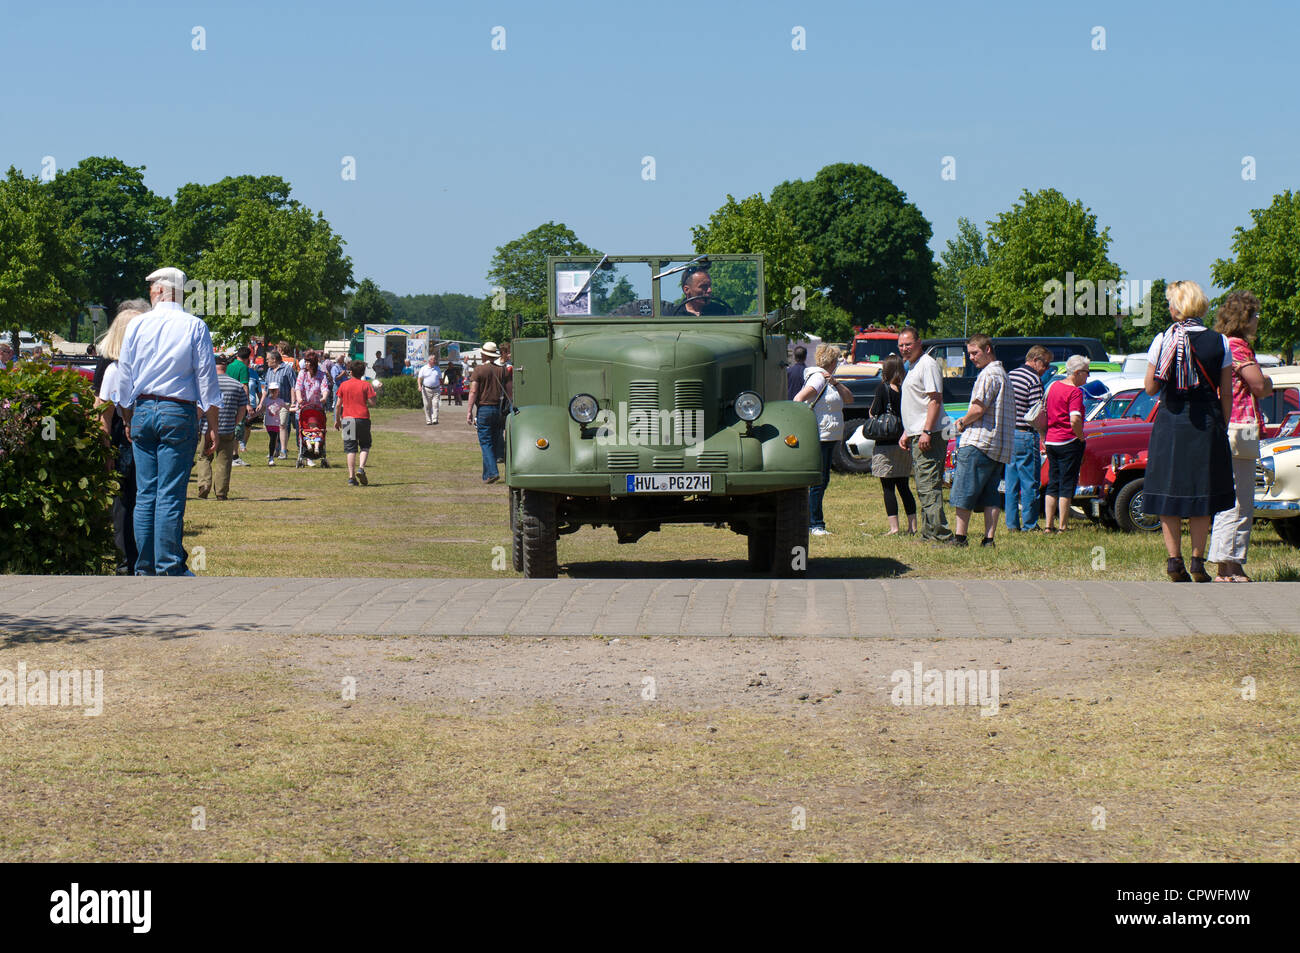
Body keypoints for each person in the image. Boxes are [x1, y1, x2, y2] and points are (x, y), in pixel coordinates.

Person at [115, 267, 221, 575]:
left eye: (151, 289)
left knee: (146, 493)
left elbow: (125, 376)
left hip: (143, 410)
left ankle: (144, 565)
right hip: (177, 411)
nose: (149, 294)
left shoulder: (137, 325)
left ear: (163, 291)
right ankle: (169, 565)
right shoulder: (194, 326)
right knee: (170, 494)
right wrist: (213, 424)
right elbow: (206, 381)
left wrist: (127, 415)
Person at [1143, 280, 1235, 581]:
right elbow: (1226, 392)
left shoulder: (1163, 339)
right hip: (1206, 422)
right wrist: (1220, 425)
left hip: (1170, 421)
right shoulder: (1220, 342)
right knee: (1203, 492)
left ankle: (1173, 560)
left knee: (1168, 491)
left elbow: (1150, 387)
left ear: (1177, 306)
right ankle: (1197, 562)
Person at [1209, 291, 1274, 582]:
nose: (1258, 320)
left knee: (1230, 497)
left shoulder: (1222, 344)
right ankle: (1231, 565)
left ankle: (1225, 564)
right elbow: (1259, 385)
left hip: (1227, 427)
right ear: (1244, 318)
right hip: (1241, 426)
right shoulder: (1240, 347)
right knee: (1241, 498)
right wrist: (1270, 381)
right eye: (1255, 315)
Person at [92, 301, 149, 574]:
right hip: (122, 440)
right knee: (126, 501)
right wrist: (107, 453)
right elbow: (102, 415)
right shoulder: (115, 370)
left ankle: (137, 558)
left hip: (133, 436)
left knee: (137, 498)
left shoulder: (130, 367)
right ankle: (127, 559)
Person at [950, 334, 1013, 547]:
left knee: (963, 490)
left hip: (979, 442)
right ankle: (989, 539)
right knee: (991, 496)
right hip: (998, 446)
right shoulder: (1003, 374)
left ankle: (960, 538)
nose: (972, 358)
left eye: (975, 353)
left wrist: (961, 423)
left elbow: (978, 408)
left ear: (988, 350)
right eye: (969, 354)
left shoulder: (988, 375)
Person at [897, 328, 954, 543]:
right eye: (901, 345)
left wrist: (926, 431)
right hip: (917, 432)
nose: (904, 348)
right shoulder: (912, 366)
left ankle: (942, 535)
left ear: (919, 342)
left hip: (930, 433)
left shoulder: (927, 364)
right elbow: (917, 403)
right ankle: (929, 532)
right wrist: (907, 431)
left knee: (928, 486)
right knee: (924, 485)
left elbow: (935, 400)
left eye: (908, 344)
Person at [792, 344, 852, 536]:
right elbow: (798, 399)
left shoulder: (828, 379)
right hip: (819, 436)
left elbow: (849, 399)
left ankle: (813, 521)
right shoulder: (818, 378)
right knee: (819, 482)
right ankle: (814, 524)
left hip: (828, 437)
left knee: (822, 481)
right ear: (833, 362)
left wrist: (835, 383)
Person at [1005, 345, 1051, 532]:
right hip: (1025, 434)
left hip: (1009, 435)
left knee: (1011, 483)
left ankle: (1011, 524)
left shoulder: (1011, 375)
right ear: (1036, 360)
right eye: (1046, 364)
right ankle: (1030, 524)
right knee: (1029, 482)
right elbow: (1036, 415)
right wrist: (1043, 438)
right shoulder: (1034, 380)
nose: (1046, 369)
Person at [1042, 355, 1090, 533]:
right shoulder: (1075, 392)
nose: (1088, 377)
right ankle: (1062, 526)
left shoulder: (1053, 385)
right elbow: (1075, 419)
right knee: (1067, 483)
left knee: (1053, 482)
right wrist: (1081, 437)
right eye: (1086, 372)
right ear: (1077, 373)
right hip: (1068, 440)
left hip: (1051, 439)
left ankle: (1048, 525)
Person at [869, 355, 916, 535]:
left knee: (888, 486)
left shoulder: (883, 388)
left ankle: (894, 528)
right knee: (904, 486)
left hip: (885, 443)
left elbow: (874, 413)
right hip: (903, 441)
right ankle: (913, 526)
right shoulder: (905, 389)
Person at [196, 355, 247, 499]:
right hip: (227, 428)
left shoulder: (206, 384)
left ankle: (204, 484)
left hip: (207, 428)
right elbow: (243, 408)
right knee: (224, 461)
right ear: (226, 367)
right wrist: (235, 422)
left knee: (204, 457)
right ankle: (221, 492)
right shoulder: (236, 385)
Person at [466, 341, 513, 484]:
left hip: (484, 409)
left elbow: (473, 391)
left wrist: (469, 411)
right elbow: (510, 392)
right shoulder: (503, 370)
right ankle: (487, 475)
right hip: (499, 409)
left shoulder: (479, 370)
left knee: (485, 442)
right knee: (493, 441)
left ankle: (492, 472)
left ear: (484, 355)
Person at [335, 360, 378, 486]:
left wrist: (337, 421)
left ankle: (351, 477)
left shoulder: (344, 385)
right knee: (365, 445)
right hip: (363, 418)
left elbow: (338, 405)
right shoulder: (366, 385)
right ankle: (361, 468)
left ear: (351, 372)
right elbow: (372, 402)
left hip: (347, 419)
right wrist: (376, 391)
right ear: (362, 372)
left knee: (350, 448)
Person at [294, 351, 332, 467]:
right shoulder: (302, 373)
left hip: (317, 408)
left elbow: (324, 387)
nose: (306, 364)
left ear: (314, 363)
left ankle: (316, 453)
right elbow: (298, 387)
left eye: (308, 362)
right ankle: (305, 455)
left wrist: (324, 397)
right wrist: (299, 399)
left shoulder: (321, 375)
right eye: (305, 362)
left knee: (317, 430)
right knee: (302, 430)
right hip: (303, 407)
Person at [262, 349, 297, 458]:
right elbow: (266, 388)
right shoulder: (269, 371)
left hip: (284, 402)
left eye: (268, 359)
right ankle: (274, 449)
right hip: (271, 404)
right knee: (272, 427)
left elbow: (293, 386)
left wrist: (293, 402)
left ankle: (283, 450)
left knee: (282, 425)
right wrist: (262, 402)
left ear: (274, 359)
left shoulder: (287, 369)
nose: (266, 361)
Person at [664, 265, 732, 316]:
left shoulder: (722, 312)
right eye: (703, 287)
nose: (709, 290)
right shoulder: (672, 315)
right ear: (687, 290)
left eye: (709, 286)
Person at [226, 346, 251, 464]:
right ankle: (233, 457)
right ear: (248, 358)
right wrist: (248, 404)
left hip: (226, 400)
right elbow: (244, 386)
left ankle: (233, 455)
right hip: (237, 402)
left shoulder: (229, 365)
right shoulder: (243, 368)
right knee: (237, 428)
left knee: (230, 427)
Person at [257, 382, 287, 464]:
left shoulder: (280, 401)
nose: (274, 392)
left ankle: (271, 456)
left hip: (276, 423)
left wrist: (296, 408)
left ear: (278, 391)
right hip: (269, 423)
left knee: (274, 439)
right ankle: (271, 458)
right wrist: (253, 416)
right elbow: (262, 410)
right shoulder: (266, 400)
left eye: (275, 390)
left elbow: (287, 408)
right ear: (270, 391)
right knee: (273, 438)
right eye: (272, 391)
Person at [417, 353, 443, 425]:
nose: (434, 361)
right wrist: (419, 386)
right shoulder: (424, 368)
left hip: (436, 389)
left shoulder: (437, 369)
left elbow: (441, 379)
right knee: (427, 405)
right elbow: (419, 378)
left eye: (435, 359)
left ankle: (435, 419)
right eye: (433, 359)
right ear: (429, 360)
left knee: (435, 404)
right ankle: (428, 420)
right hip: (426, 389)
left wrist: (442, 386)